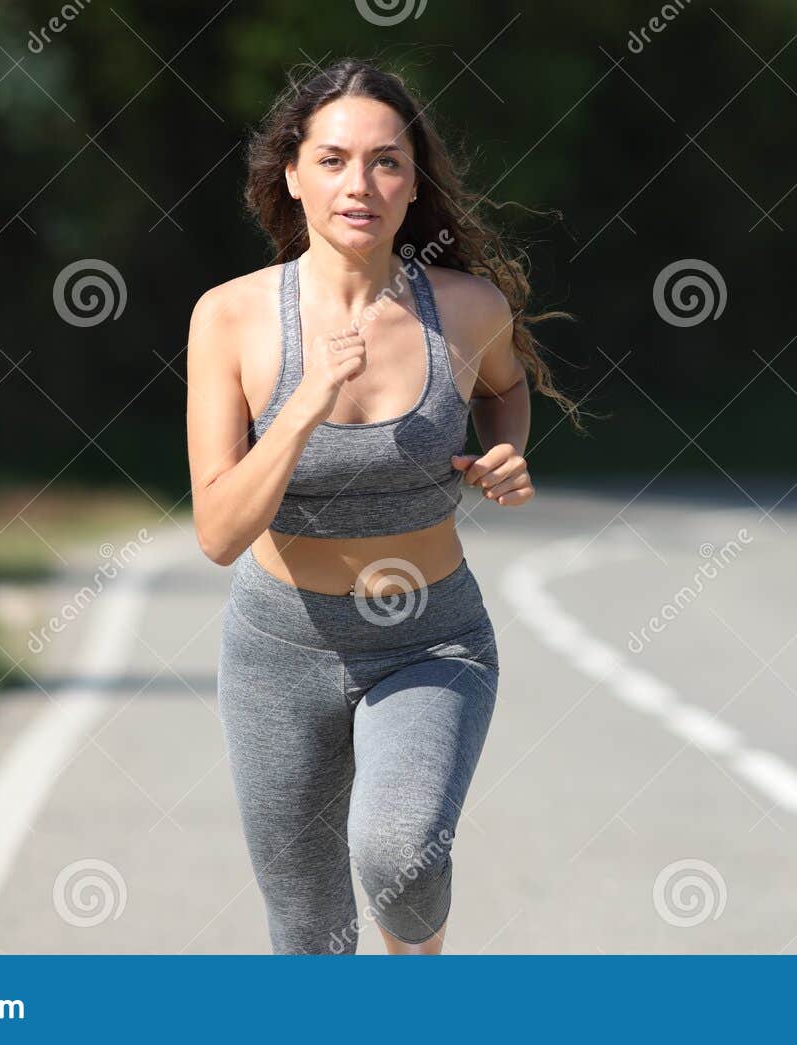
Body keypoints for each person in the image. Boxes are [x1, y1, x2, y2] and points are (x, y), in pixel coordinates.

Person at [185, 57, 582, 953]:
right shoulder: (232, 319)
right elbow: (218, 531)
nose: (358, 184)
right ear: (292, 175)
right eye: (331, 160)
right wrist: (305, 403)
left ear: (414, 184)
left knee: (400, 862)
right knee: (310, 931)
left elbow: (504, 391)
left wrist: (505, 450)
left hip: (429, 637)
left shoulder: (470, 310)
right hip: (277, 649)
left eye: (385, 162)